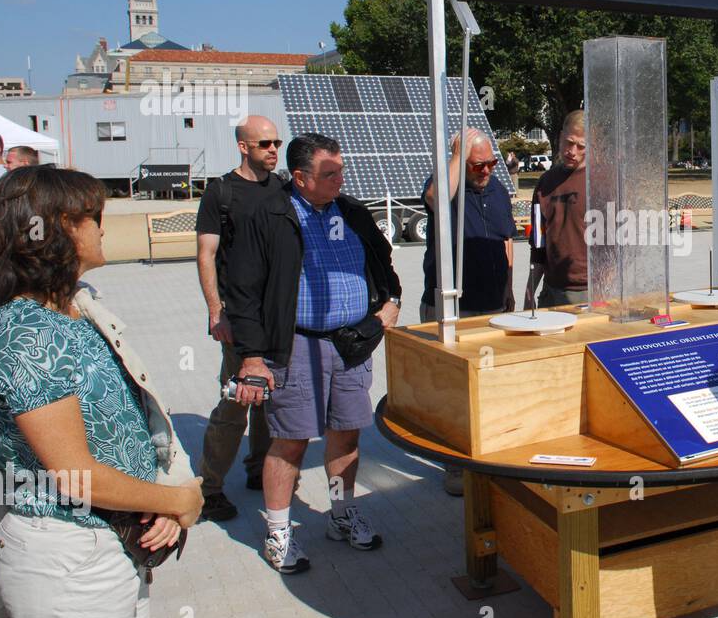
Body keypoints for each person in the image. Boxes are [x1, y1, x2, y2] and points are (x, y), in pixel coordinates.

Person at [0, 166, 204, 618]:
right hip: (68, 555)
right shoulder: (24, 332)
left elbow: (129, 422)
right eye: (94, 217)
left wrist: (156, 506)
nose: (104, 228)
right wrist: (178, 500)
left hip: (112, 537)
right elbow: (74, 475)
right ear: (60, 228)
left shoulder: (74, 308)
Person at [226, 133, 401, 574]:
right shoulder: (268, 216)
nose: (340, 179)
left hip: (352, 343)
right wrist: (251, 358)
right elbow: (243, 291)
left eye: (341, 170)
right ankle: (279, 531)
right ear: (301, 178)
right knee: (291, 440)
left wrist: (391, 301)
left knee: (347, 433)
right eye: (330, 173)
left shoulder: (353, 212)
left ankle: (340, 515)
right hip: (296, 344)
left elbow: (383, 260)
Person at [193, 116, 281, 521]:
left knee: (270, 401)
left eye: (277, 142)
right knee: (236, 403)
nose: (273, 150)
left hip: (276, 316)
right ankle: (208, 488)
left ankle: (259, 470)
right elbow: (206, 254)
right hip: (238, 318)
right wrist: (216, 311)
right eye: (264, 143)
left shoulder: (282, 187)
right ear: (243, 147)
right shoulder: (221, 192)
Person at [421, 128, 516, 497]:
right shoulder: (447, 185)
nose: (487, 170)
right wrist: (458, 159)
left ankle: (491, 453)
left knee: (490, 384)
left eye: (492, 162)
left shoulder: (497, 191)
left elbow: (507, 240)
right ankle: (456, 463)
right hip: (454, 306)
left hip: (492, 302)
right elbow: (436, 198)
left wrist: (509, 289)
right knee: (455, 388)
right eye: (479, 164)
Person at [525, 111, 589, 307]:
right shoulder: (545, 183)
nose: (572, 151)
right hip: (550, 291)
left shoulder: (603, 183)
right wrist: (529, 293)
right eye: (569, 142)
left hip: (589, 293)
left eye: (581, 146)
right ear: (561, 136)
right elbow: (538, 245)